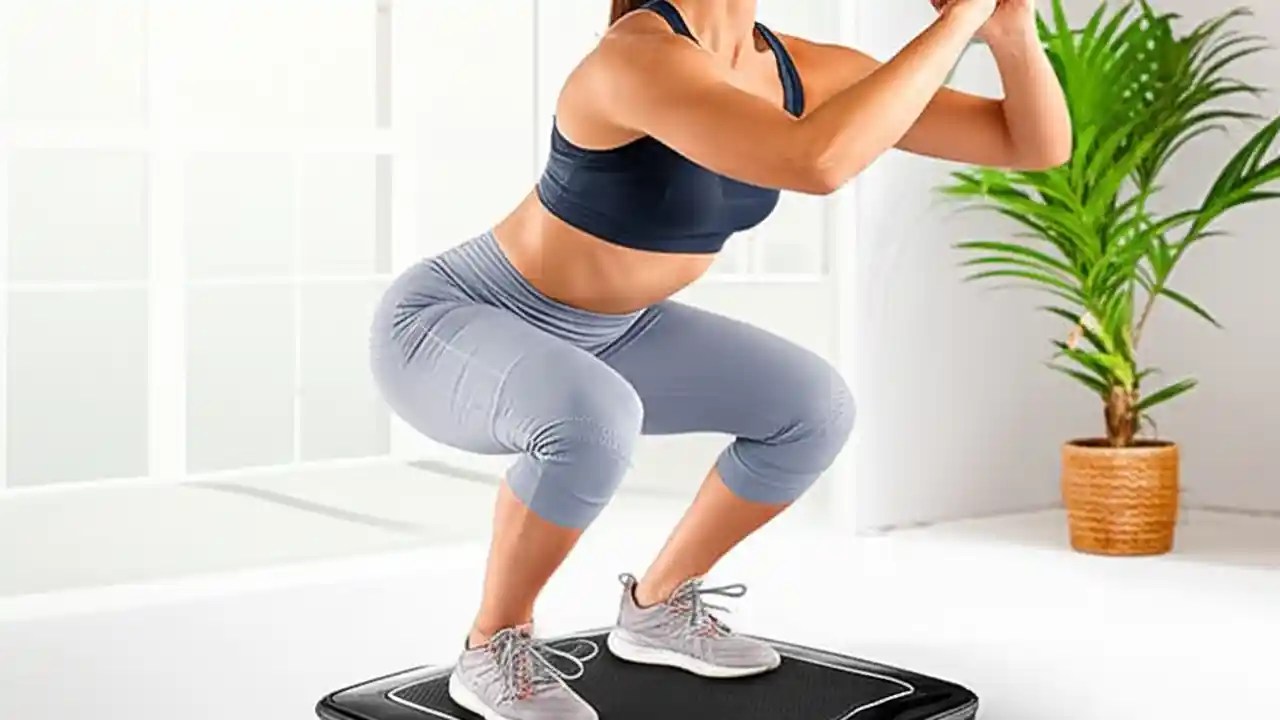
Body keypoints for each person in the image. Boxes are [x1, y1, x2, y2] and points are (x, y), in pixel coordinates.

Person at [368, 0, 1069, 717]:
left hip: (616, 330)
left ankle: (657, 607)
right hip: (454, 322)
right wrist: (957, 21)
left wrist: (1009, 33)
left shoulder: (800, 67)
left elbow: (1031, 143)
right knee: (594, 419)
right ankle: (493, 646)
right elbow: (816, 162)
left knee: (811, 407)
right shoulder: (636, 57)